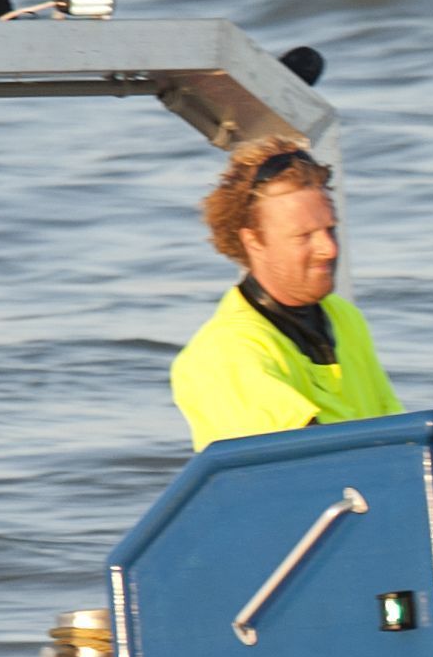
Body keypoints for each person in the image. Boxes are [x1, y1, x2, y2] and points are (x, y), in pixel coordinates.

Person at [168, 139, 401, 448]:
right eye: (304, 236)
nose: (328, 249)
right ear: (254, 242)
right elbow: (306, 462)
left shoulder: (343, 317)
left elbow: (400, 437)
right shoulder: (225, 352)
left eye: (330, 230)